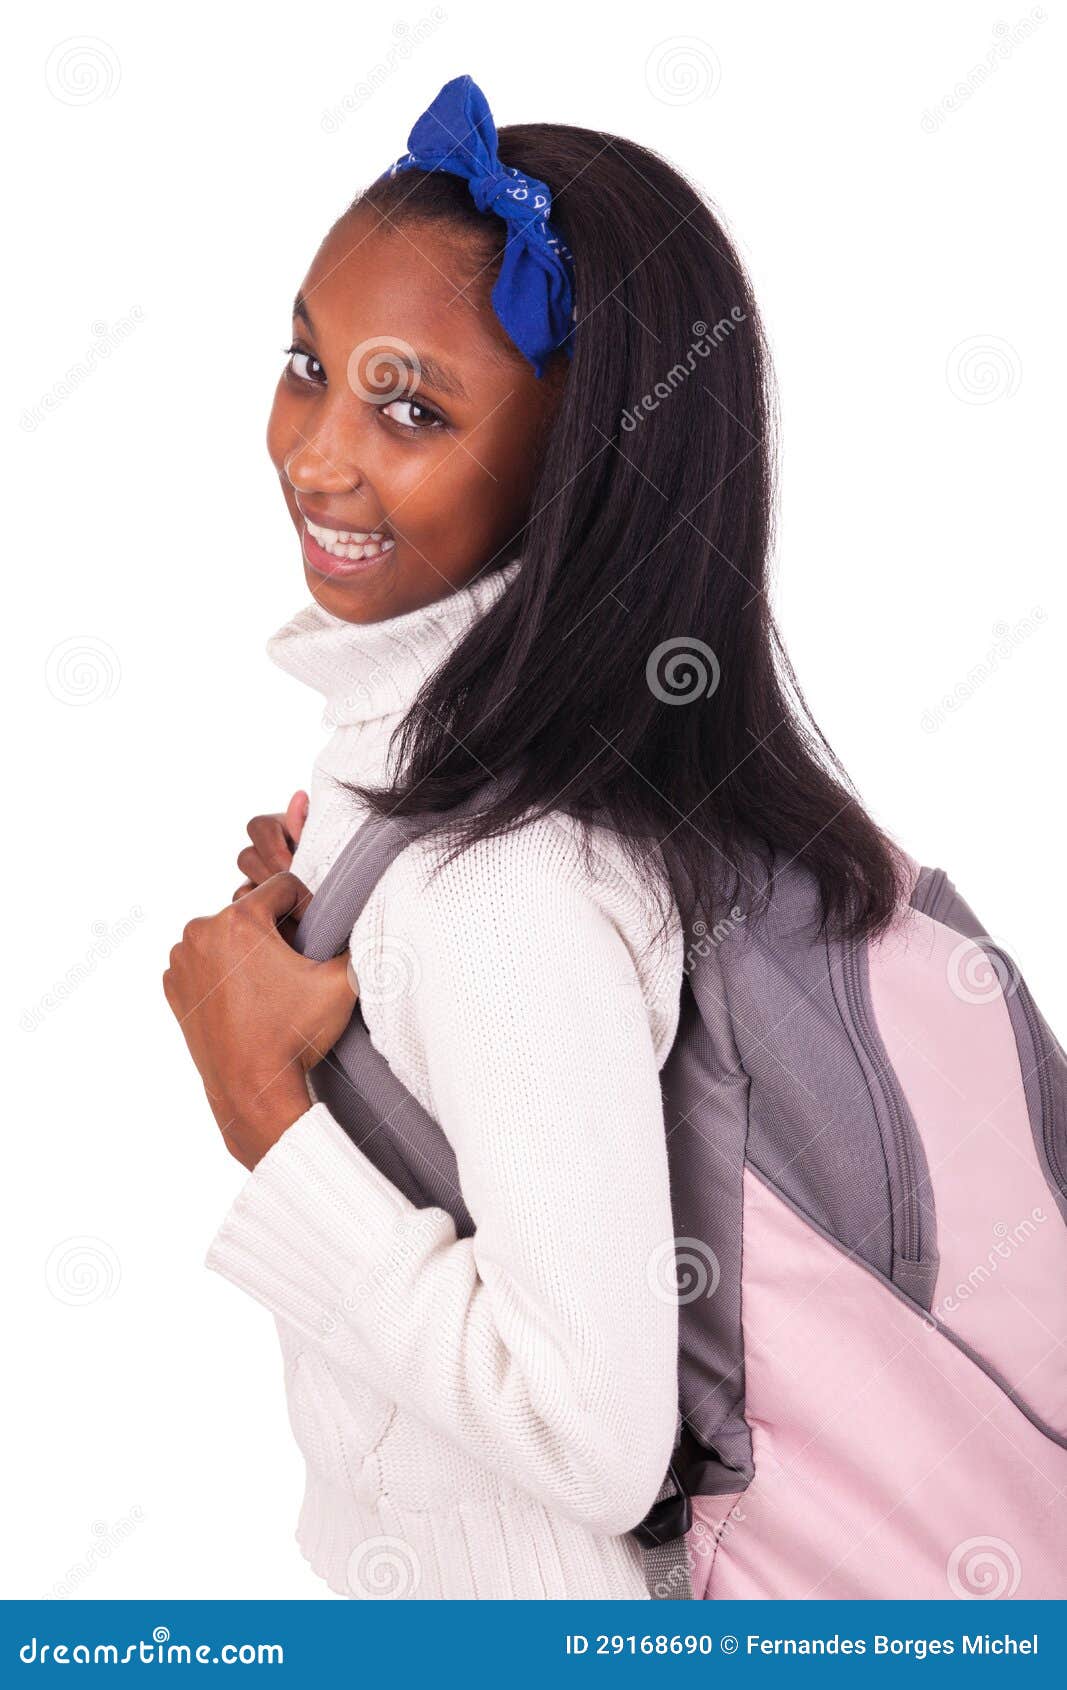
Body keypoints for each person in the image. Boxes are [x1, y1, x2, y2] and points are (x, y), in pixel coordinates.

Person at [162, 75, 903, 1600]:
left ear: (578, 474)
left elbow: (592, 1439)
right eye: (311, 362)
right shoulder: (491, 796)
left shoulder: (505, 876)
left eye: (413, 408)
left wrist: (266, 1109)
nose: (313, 452)